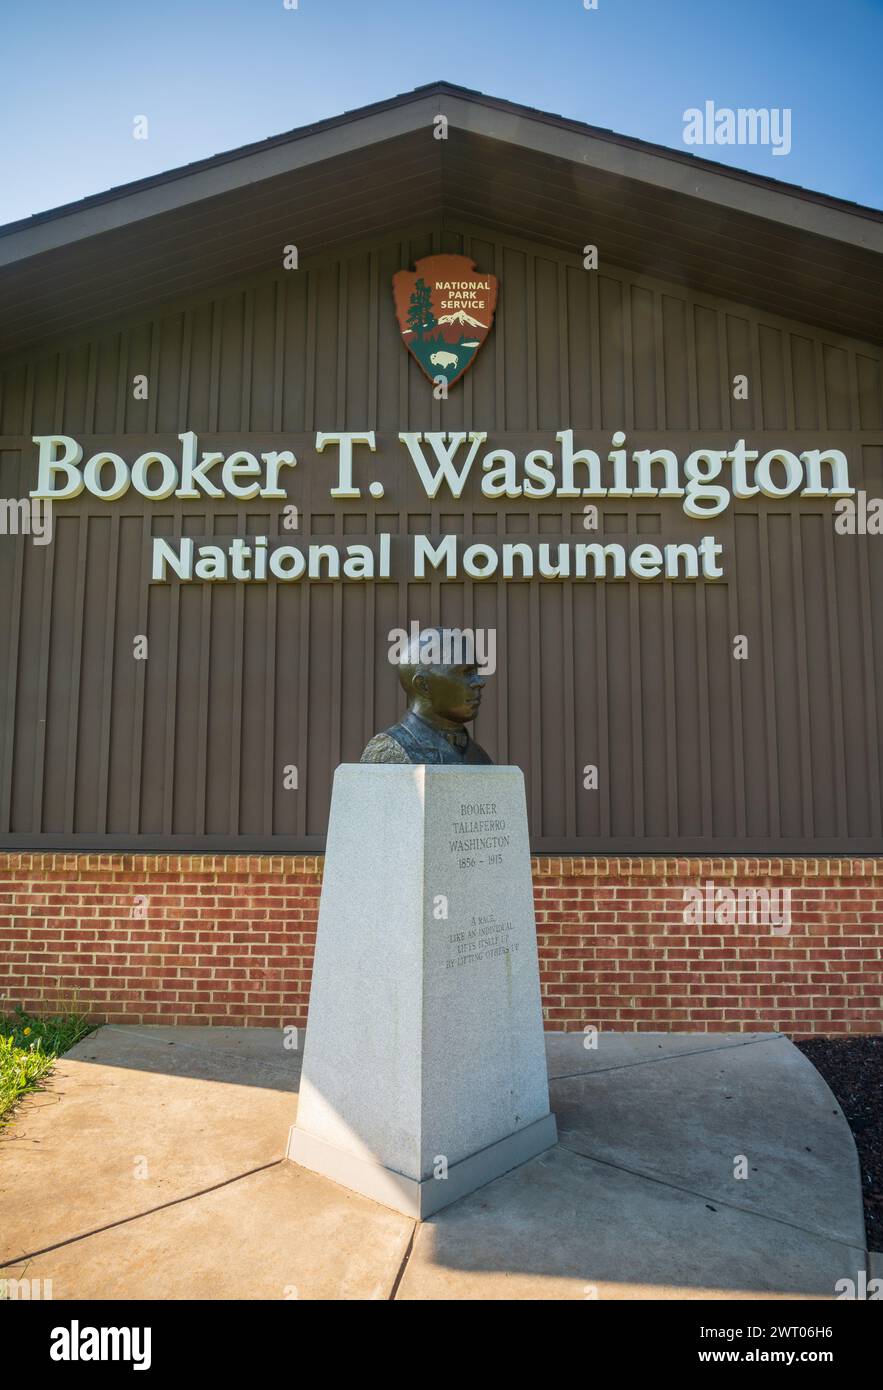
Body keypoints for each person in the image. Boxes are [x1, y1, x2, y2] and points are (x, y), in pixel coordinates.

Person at [360, 628, 492, 764]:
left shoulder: (480, 756)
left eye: (476, 672)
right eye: (467, 672)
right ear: (423, 685)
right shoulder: (388, 751)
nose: (480, 682)